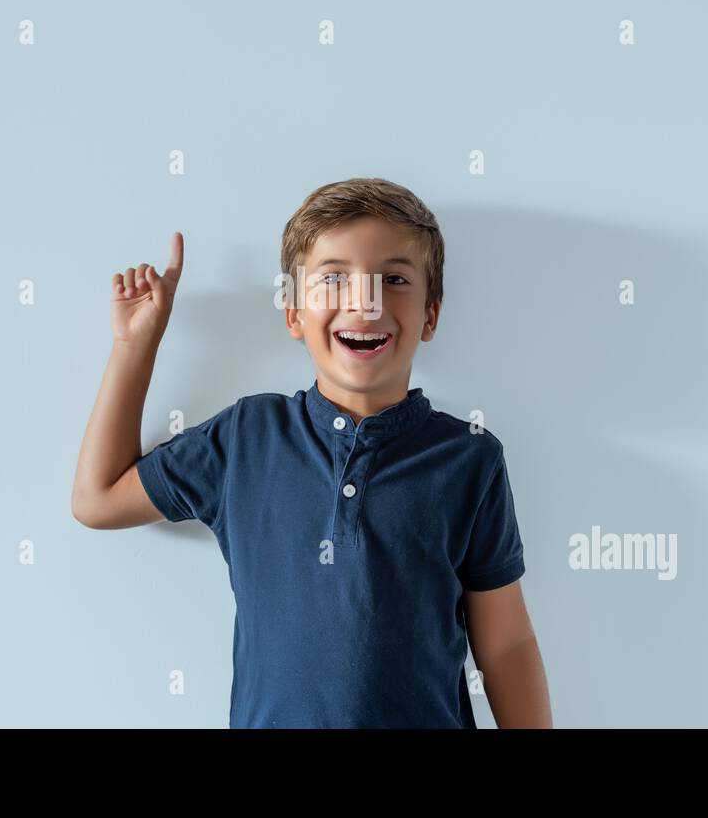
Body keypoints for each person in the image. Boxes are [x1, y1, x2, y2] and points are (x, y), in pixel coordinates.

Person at [71, 177, 552, 728]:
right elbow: (97, 499)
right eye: (334, 279)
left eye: (393, 278)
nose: (365, 302)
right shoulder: (246, 437)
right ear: (294, 314)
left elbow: (507, 645)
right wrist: (136, 346)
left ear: (431, 314)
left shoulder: (470, 459)